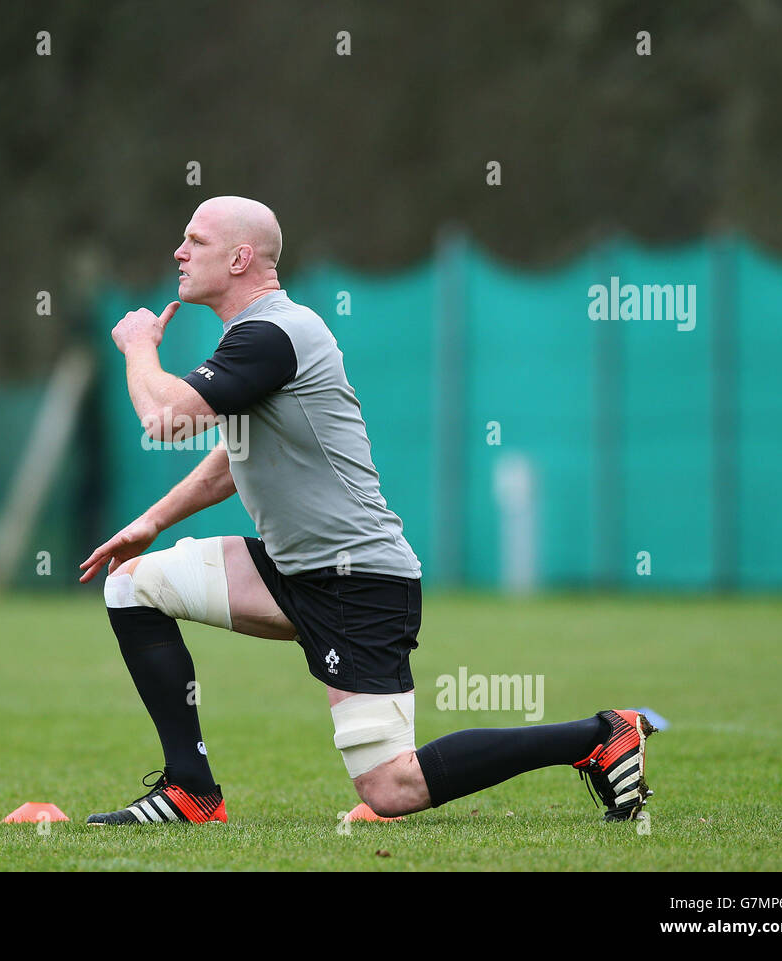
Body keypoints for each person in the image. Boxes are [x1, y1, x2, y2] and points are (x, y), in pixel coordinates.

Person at [78, 196, 655, 826]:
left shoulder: (274, 334)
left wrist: (138, 346)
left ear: (241, 257)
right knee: (132, 586)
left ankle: (601, 735)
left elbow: (164, 419)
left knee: (392, 789)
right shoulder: (256, 338)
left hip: (360, 584)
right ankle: (190, 791)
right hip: (292, 570)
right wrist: (153, 521)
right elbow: (232, 458)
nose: (178, 252)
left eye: (195, 240)